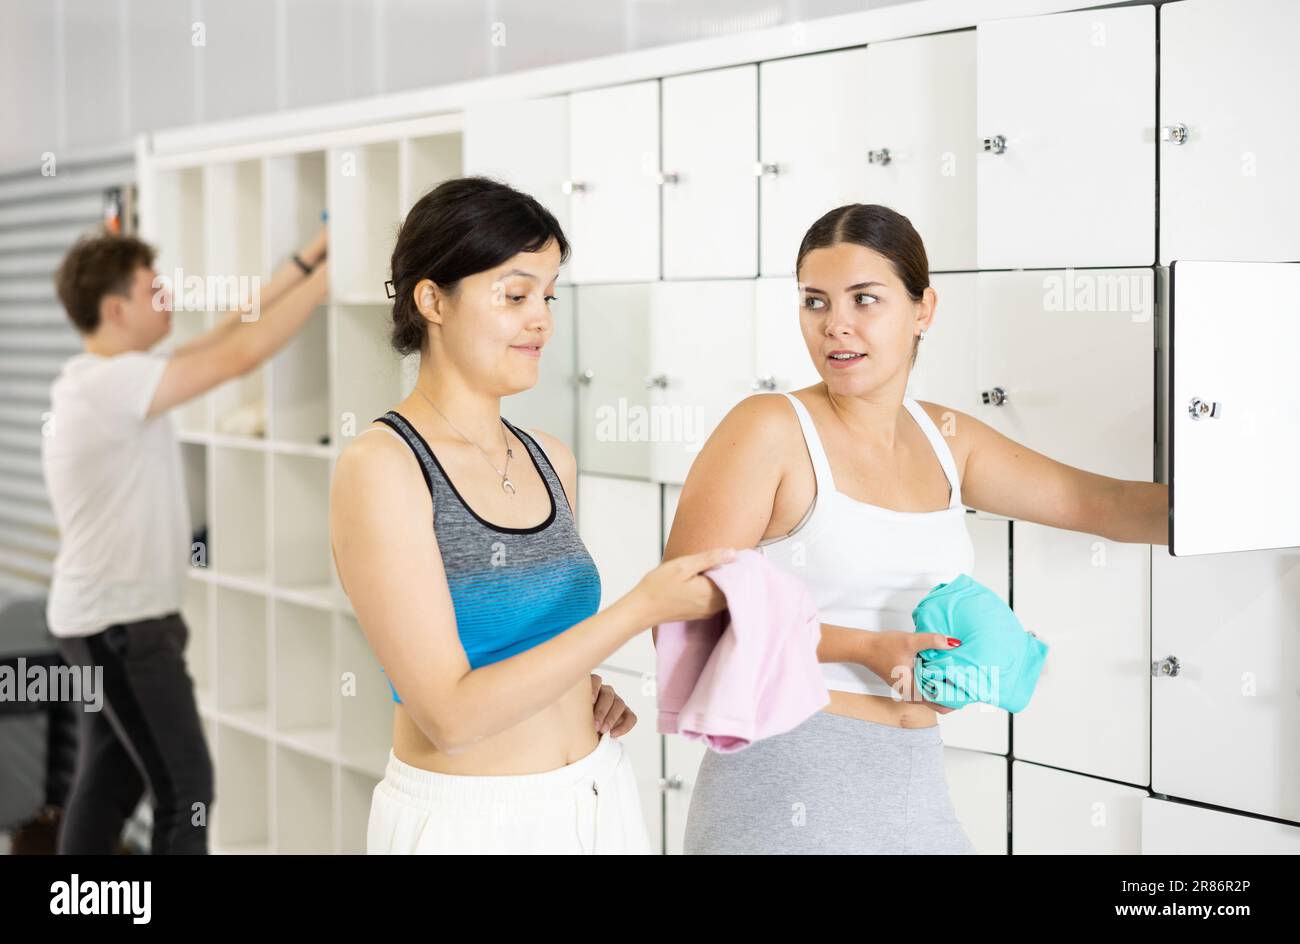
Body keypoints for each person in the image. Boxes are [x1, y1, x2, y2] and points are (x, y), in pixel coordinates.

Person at [663, 203, 1169, 854]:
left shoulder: (944, 437)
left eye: (864, 299)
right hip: (788, 773)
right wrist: (865, 649)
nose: (835, 326)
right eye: (815, 302)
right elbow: (678, 610)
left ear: (923, 309)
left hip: (916, 774)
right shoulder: (769, 428)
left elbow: (1106, 505)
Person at [329, 176, 733, 854]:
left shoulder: (551, 458)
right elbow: (451, 716)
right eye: (515, 295)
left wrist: (580, 690)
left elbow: (525, 651)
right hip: (471, 823)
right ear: (431, 299)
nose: (542, 318)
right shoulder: (383, 467)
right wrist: (636, 612)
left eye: (547, 295)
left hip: (599, 793)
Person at [42, 226, 330, 853]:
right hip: (122, 627)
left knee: (111, 781)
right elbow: (240, 356)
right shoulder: (108, 385)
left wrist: (310, 258)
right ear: (116, 310)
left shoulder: (103, 378)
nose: (167, 296)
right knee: (187, 790)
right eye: (154, 288)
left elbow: (228, 332)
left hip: (103, 622)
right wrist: (342, 268)